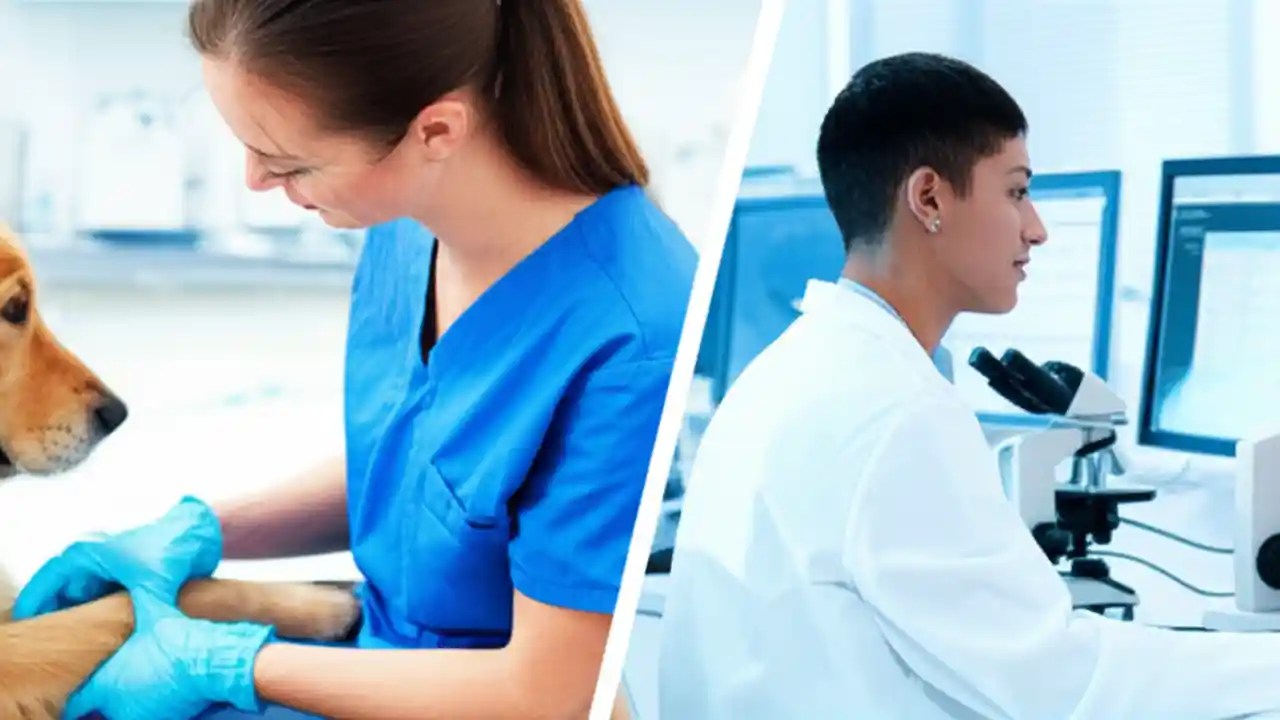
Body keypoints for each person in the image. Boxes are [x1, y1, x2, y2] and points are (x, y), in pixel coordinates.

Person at [14, 1, 694, 718]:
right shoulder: (405, 221)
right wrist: (204, 528)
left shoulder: (632, 338)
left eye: (288, 162)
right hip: (370, 652)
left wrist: (223, 663)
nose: (254, 181)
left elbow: (550, 694)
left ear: (434, 130)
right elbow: (428, 474)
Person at [658, 51, 1280, 720]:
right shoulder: (892, 407)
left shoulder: (800, 364)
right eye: (1016, 191)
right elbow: (1064, 684)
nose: (1036, 228)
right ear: (929, 198)